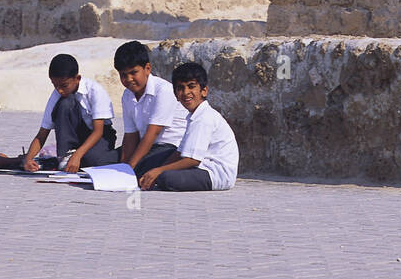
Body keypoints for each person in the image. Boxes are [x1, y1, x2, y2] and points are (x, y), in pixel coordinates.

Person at [137, 61, 238, 192]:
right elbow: (180, 152)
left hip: (215, 175)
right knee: (154, 166)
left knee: (166, 177)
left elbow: (192, 160)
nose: (186, 92)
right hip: (201, 168)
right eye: (180, 88)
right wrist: (156, 170)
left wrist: (158, 171)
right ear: (176, 95)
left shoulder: (204, 117)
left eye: (191, 87)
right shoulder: (193, 116)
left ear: (204, 91)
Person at [20, 53, 119, 172]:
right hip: (77, 137)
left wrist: (77, 155)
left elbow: (98, 131)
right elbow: (42, 133)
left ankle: (115, 155)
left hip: (100, 136)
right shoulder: (57, 95)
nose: (60, 90)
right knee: (65, 102)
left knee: (92, 162)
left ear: (77, 79)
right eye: (55, 86)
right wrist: (28, 159)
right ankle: (65, 155)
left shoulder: (94, 91)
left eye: (64, 86)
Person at [113, 40, 187, 178]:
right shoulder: (127, 95)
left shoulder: (163, 90)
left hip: (169, 147)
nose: (129, 79)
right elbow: (130, 134)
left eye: (133, 72)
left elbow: (152, 133)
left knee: (140, 168)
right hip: (145, 146)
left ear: (147, 68)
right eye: (123, 75)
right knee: (102, 161)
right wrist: (124, 164)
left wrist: (129, 167)